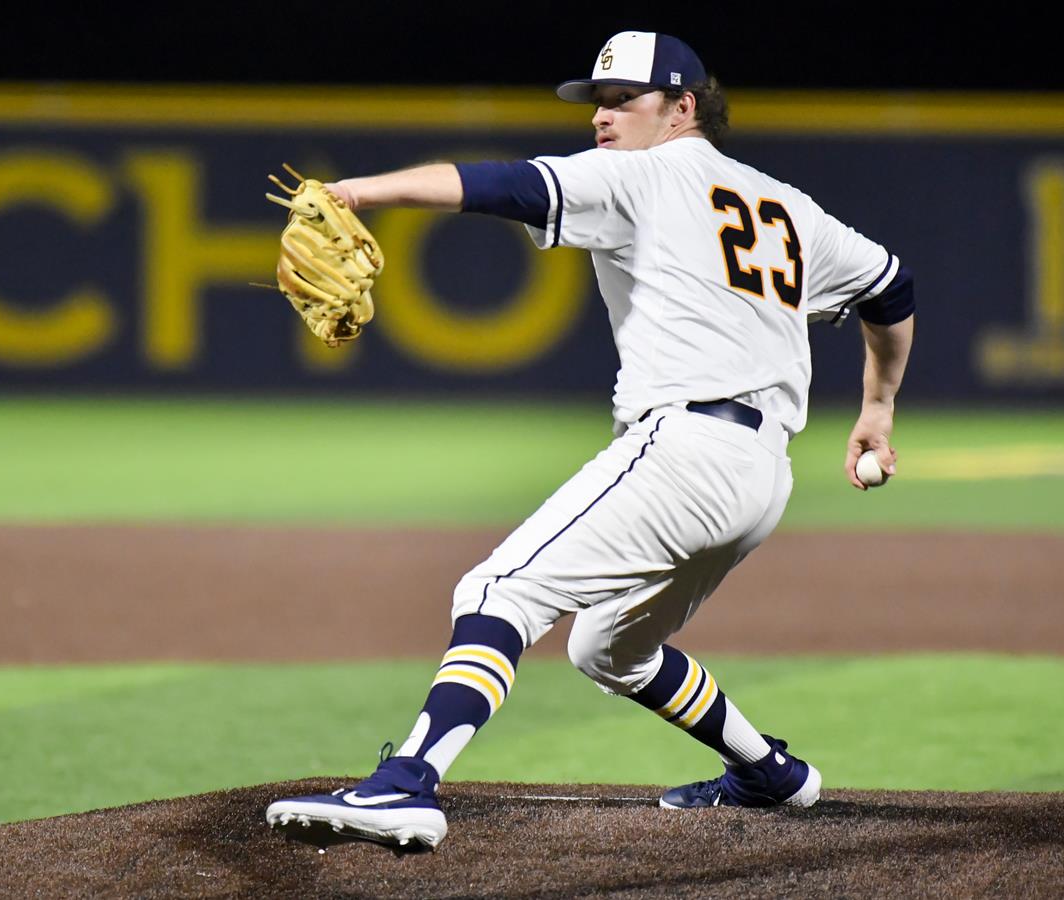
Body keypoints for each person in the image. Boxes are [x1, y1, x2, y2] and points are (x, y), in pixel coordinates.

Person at [265, 30, 915, 852]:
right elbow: (892, 287)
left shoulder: (640, 177)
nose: (603, 118)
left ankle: (408, 783)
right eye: (596, 103)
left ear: (683, 107)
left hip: (685, 450)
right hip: (760, 477)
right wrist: (879, 408)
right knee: (610, 647)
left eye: (623, 101)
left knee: (498, 590)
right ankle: (768, 772)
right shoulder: (788, 206)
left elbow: (499, 186)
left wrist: (357, 193)